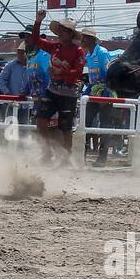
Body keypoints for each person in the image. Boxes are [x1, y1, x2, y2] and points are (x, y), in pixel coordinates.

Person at [30, 10, 86, 167]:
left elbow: (79, 72)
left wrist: (62, 71)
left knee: (66, 128)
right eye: (60, 30)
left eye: (63, 31)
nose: (60, 33)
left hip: (68, 93)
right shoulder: (55, 47)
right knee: (41, 119)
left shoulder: (78, 51)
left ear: (70, 34)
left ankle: (65, 158)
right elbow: (35, 40)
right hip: (53, 89)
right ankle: (47, 151)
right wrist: (38, 22)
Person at [79, 26, 114, 167]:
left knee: (105, 125)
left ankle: (102, 157)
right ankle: (83, 154)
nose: (82, 40)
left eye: (84, 38)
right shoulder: (88, 55)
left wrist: (105, 96)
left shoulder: (102, 53)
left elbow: (109, 74)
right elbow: (92, 78)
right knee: (86, 122)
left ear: (91, 39)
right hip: (93, 93)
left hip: (105, 93)